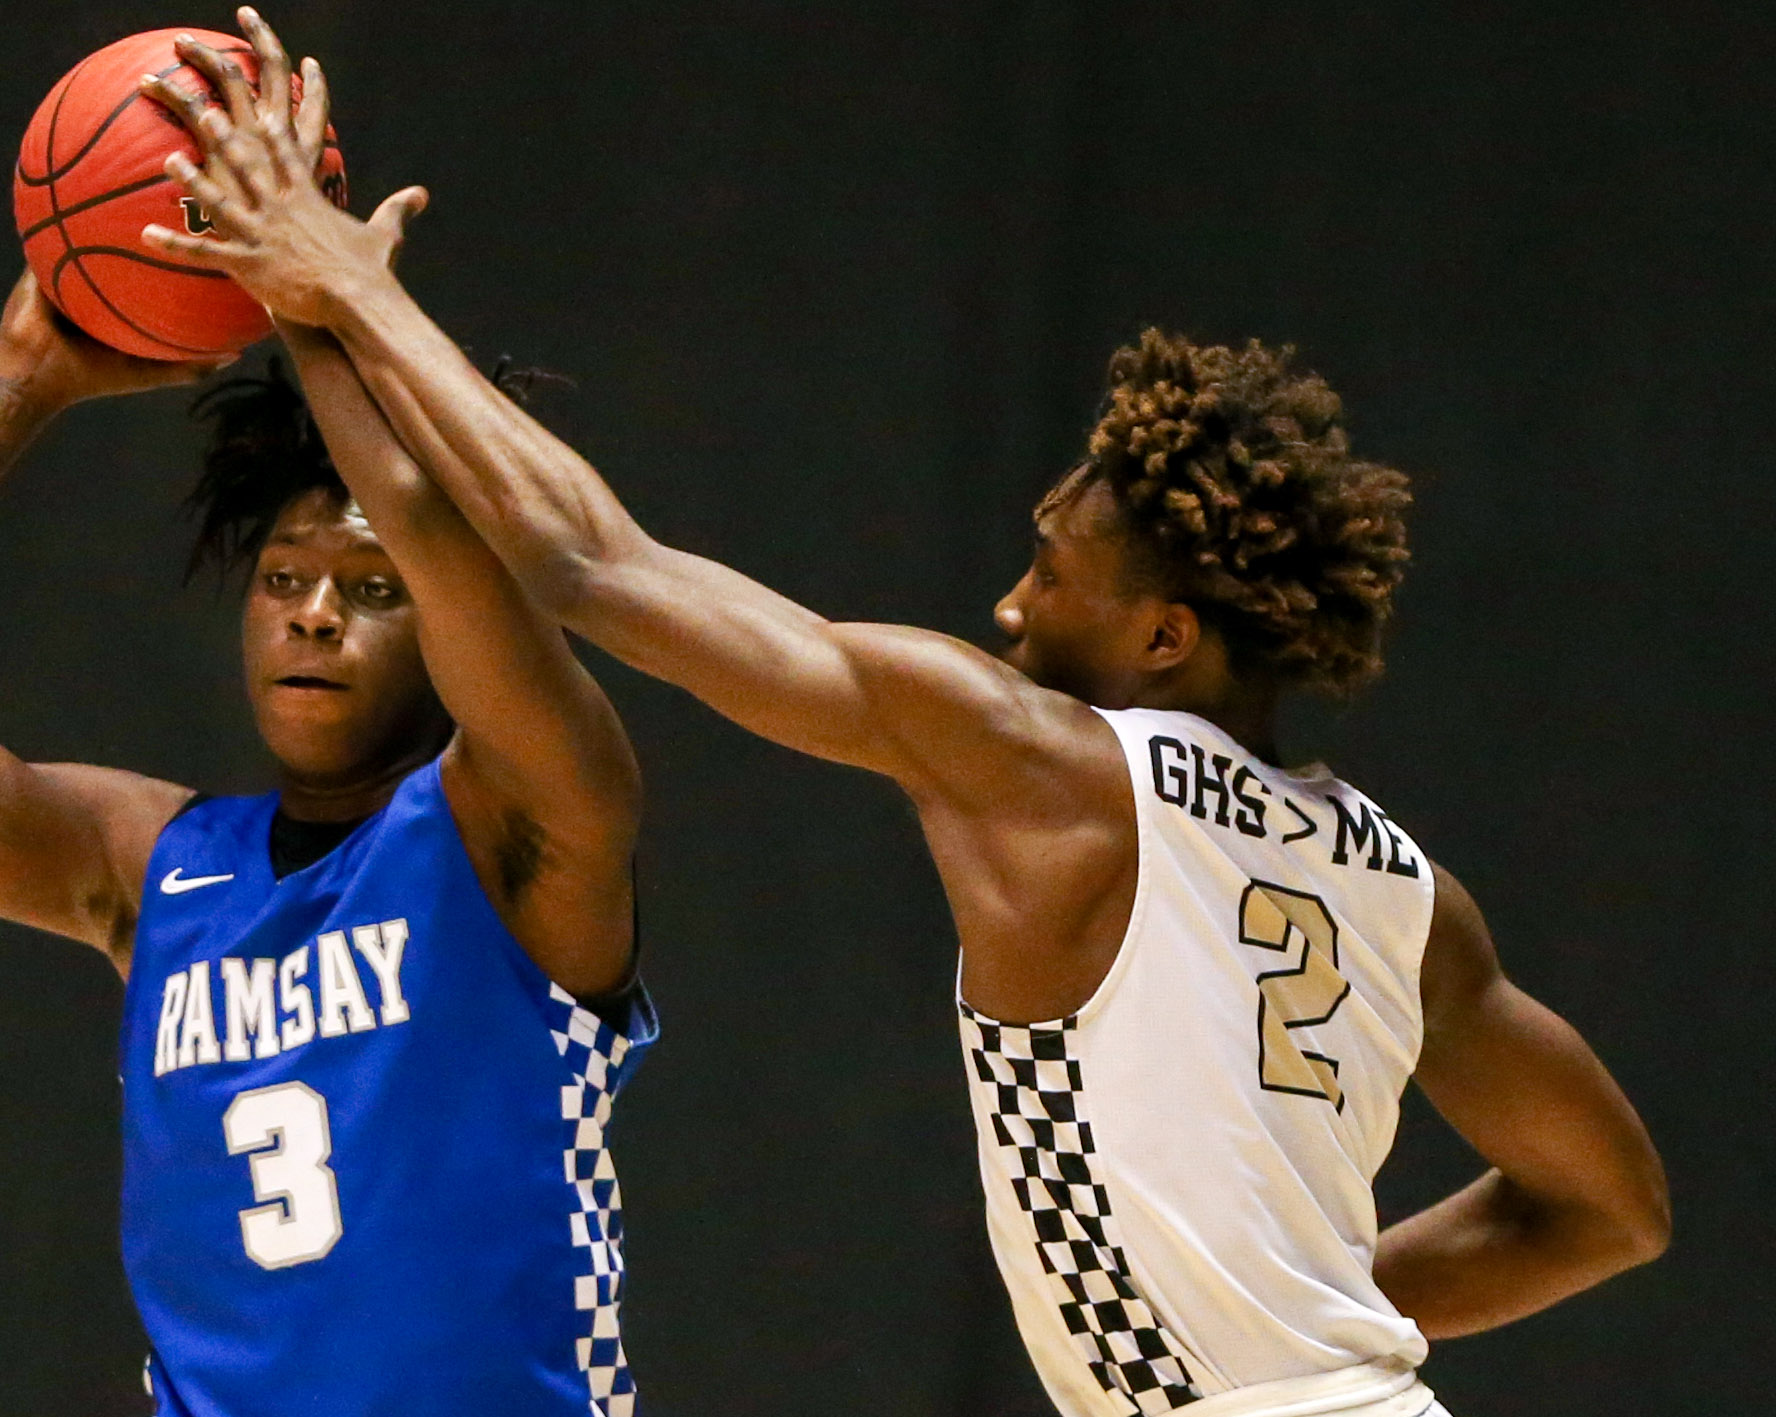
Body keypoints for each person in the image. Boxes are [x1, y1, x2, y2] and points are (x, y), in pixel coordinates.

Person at [143, 11, 1670, 1414]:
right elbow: (1615, 1205)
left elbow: (584, 560)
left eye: (1049, 573)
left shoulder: (1050, 768)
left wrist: (340, 289)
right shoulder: (1401, 885)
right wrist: (1318, 1320)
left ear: (1162, 630)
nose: (1009, 608)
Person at [0, 29, 657, 1416]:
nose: (315, 616)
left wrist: (309, 299)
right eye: (284, 580)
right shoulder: (159, 866)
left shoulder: (528, 826)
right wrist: (17, 376)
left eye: (371, 588)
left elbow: (479, 563)